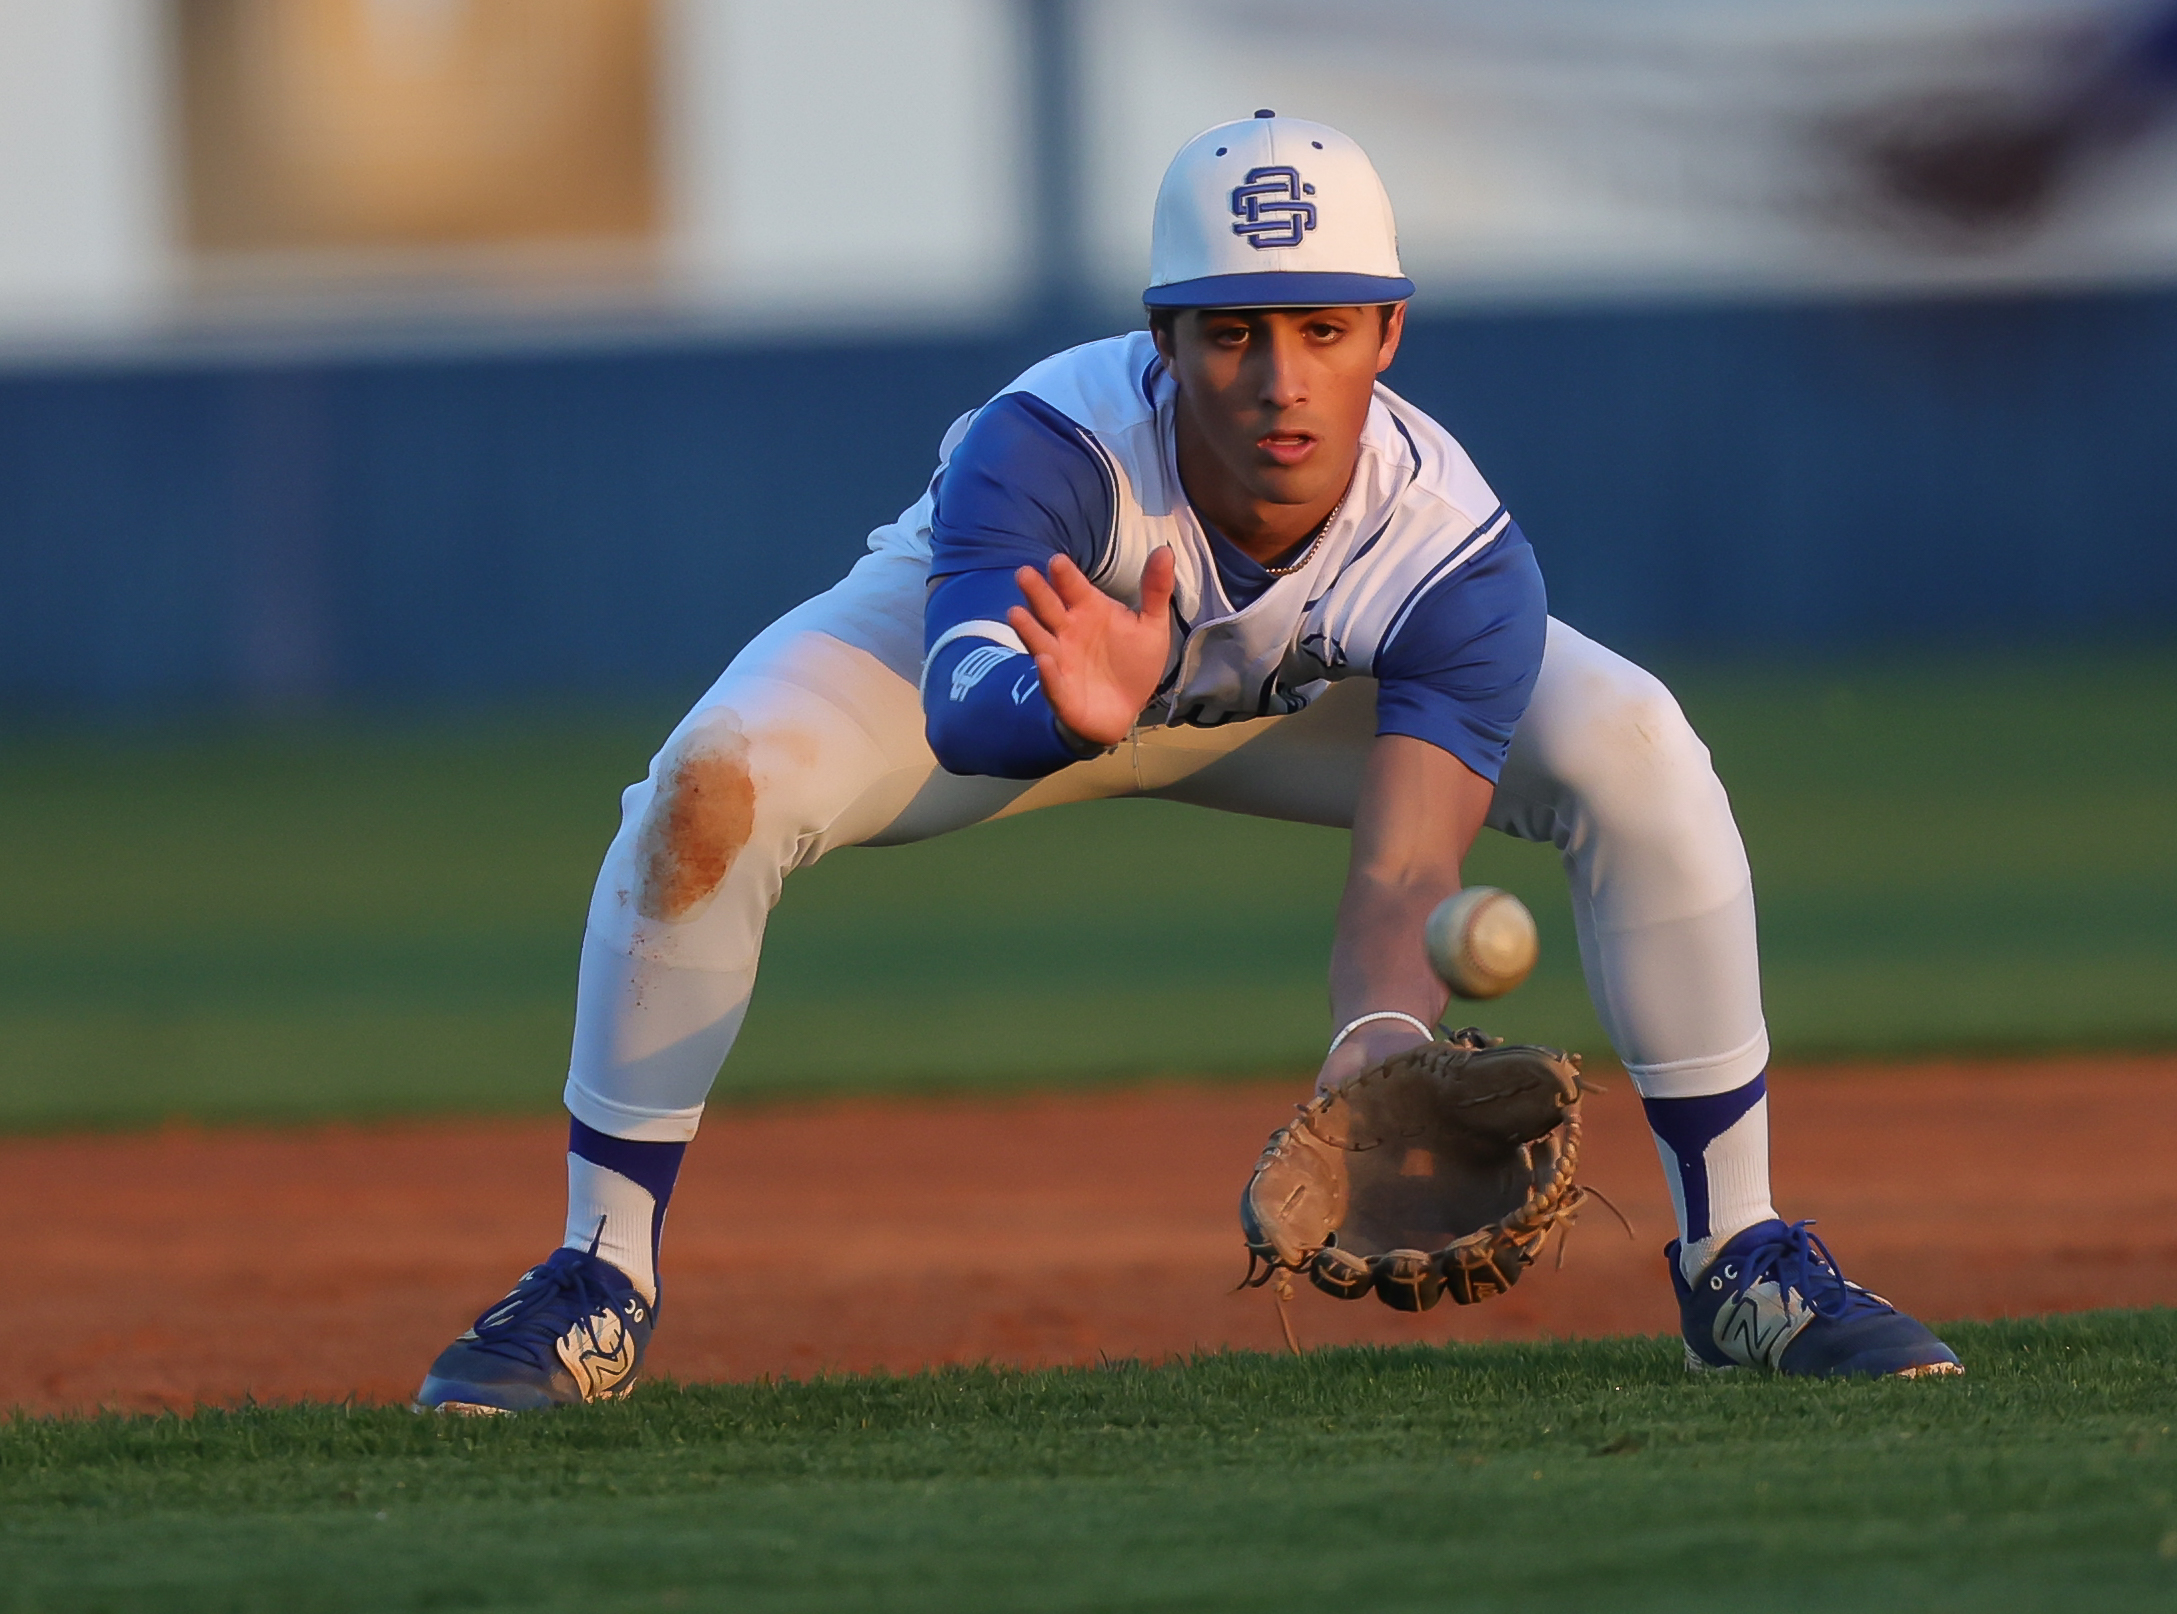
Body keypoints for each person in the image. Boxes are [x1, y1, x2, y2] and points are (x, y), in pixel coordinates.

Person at [415, 112, 1959, 1414]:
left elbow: (1408, 866)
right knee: (709, 785)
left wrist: (1374, 1047)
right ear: (1161, 341)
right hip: (1035, 671)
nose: (1280, 379)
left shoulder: (1452, 555)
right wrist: (1070, 706)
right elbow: (960, 705)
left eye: (1322, 329)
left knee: (1636, 744)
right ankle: (597, 1275)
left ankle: (1735, 1261)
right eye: (1232, 332)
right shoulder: (1050, 446)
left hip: (1292, 697)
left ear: (1388, 333)